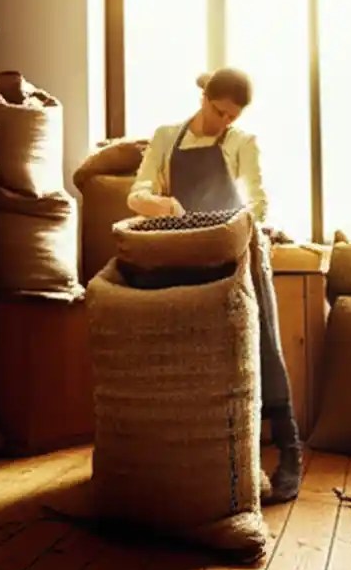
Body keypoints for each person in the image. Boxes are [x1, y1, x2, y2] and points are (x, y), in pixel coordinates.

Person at [127, 67, 303, 503]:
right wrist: (160, 203)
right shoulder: (168, 137)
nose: (225, 122)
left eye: (233, 117)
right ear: (204, 97)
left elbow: (257, 202)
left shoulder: (242, 144)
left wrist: (237, 230)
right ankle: (197, 460)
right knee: (195, 355)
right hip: (185, 251)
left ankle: (289, 450)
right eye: (220, 111)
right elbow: (137, 193)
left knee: (262, 345)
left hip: (237, 250)